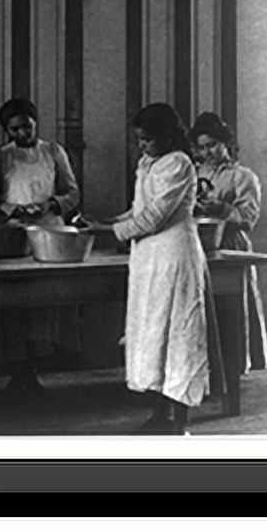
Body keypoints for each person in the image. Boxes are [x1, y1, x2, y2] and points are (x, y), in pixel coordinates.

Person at [86, 103, 208, 435]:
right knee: (152, 332)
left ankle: (179, 419)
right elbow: (138, 210)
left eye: (148, 139)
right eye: (139, 140)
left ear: (169, 136)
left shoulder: (179, 164)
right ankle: (159, 413)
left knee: (178, 333)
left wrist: (109, 232)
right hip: (148, 257)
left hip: (174, 256)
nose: (142, 146)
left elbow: (156, 217)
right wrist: (106, 221)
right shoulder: (148, 163)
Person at [0, 97, 82, 393]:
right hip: (14, 234)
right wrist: (10, 210)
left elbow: (72, 192)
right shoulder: (0, 156)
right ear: (6, 130)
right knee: (17, 301)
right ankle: (18, 367)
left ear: (35, 122)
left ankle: (37, 366)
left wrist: (51, 204)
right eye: (14, 130)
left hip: (49, 232)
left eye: (26, 127)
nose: (22, 134)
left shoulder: (53, 151)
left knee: (44, 304)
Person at [190, 111, 267, 373]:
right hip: (201, 242)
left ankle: (236, 362)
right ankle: (207, 363)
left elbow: (248, 218)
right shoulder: (195, 172)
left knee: (232, 301)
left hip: (230, 243)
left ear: (226, 143)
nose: (207, 152)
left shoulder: (243, 177)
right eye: (202, 147)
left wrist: (221, 209)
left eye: (212, 145)